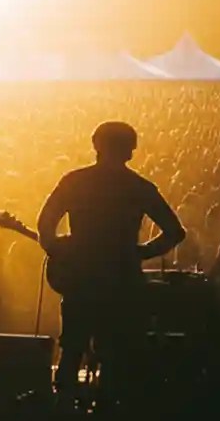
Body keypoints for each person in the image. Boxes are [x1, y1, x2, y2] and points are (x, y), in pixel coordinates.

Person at [36, 121, 185, 403]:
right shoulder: (139, 187)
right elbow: (175, 232)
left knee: (72, 351)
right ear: (131, 151)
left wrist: (59, 251)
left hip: (81, 280)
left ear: (96, 145)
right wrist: (140, 253)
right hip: (123, 282)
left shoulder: (74, 181)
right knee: (118, 357)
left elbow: (45, 224)